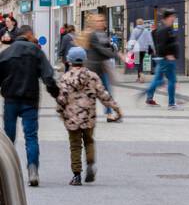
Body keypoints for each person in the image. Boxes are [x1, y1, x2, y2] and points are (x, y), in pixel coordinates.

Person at [0, 24, 60, 185]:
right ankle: (33, 170)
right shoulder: (36, 52)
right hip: (30, 100)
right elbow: (48, 76)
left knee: (9, 137)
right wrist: (56, 94)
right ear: (29, 34)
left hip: (11, 99)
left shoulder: (6, 53)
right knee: (31, 136)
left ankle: (5, 173)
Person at [56, 45, 123, 185]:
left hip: (72, 118)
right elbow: (103, 95)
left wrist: (61, 112)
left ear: (69, 60)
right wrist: (116, 108)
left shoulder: (65, 78)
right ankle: (90, 164)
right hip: (88, 117)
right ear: (85, 60)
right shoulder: (92, 76)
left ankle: (76, 176)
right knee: (89, 141)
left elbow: (61, 99)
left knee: (75, 145)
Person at [80, 13, 121, 121]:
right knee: (89, 93)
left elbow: (108, 47)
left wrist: (116, 52)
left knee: (107, 91)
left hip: (102, 68)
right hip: (92, 69)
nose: (101, 22)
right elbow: (101, 49)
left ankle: (109, 114)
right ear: (94, 23)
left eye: (102, 20)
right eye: (98, 21)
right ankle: (86, 113)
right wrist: (117, 55)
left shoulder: (103, 34)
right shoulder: (92, 35)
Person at [145, 9, 181, 108]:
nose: (174, 18)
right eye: (172, 17)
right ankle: (171, 103)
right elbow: (160, 46)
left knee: (158, 79)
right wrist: (167, 55)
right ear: (167, 18)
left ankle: (149, 97)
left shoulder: (167, 28)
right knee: (172, 80)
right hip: (166, 60)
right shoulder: (164, 30)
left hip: (164, 59)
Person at [130, 18, 155, 83]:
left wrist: (130, 48)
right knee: (141, 62)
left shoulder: (134, 30)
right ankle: (139, 77)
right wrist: (153, 48)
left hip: (136, 49)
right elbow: (150, 40)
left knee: (137, 63)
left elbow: (132, 40)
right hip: (144, 49)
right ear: (142, 23)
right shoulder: (146, 31)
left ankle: (141, 75)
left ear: (137, 23)